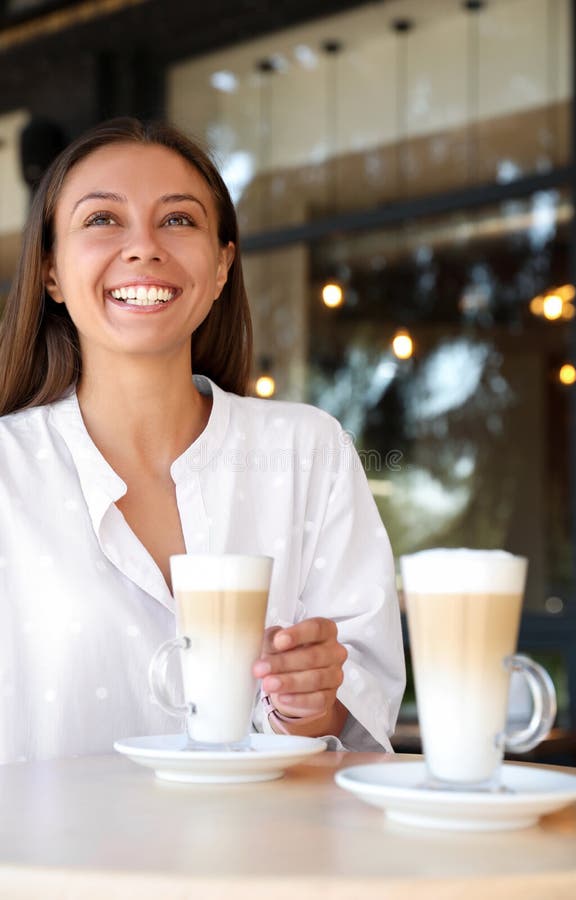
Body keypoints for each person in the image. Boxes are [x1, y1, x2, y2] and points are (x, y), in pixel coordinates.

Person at [0, 118, 405, 764]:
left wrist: (310, 700)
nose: (143, 247)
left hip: (261, 858)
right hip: (45, 865)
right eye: (102, 219)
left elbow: (361, 717)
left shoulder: (310, 451)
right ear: (50, 271)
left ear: (221, 266)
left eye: (179, 221)